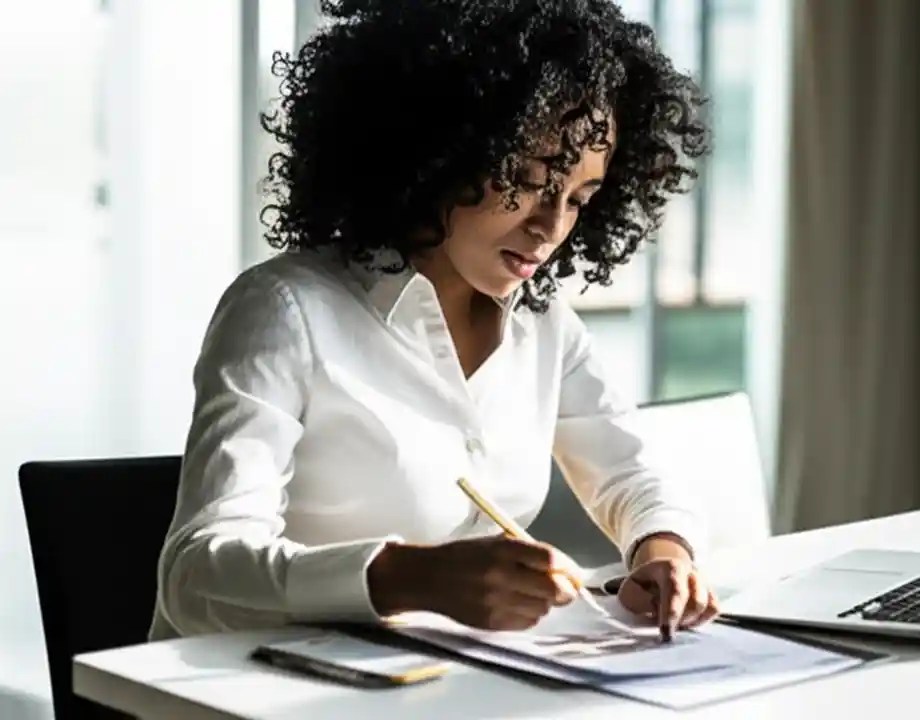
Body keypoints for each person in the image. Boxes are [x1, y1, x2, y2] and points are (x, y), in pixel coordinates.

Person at [148, 0, 719, 643]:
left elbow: (631, 474)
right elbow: (194, 577)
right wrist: (410, 579)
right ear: (439, 152)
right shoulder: (285, 312)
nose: (549, 226)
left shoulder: (542, 324)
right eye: (526, 183)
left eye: (579, 200)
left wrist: (663, 552)